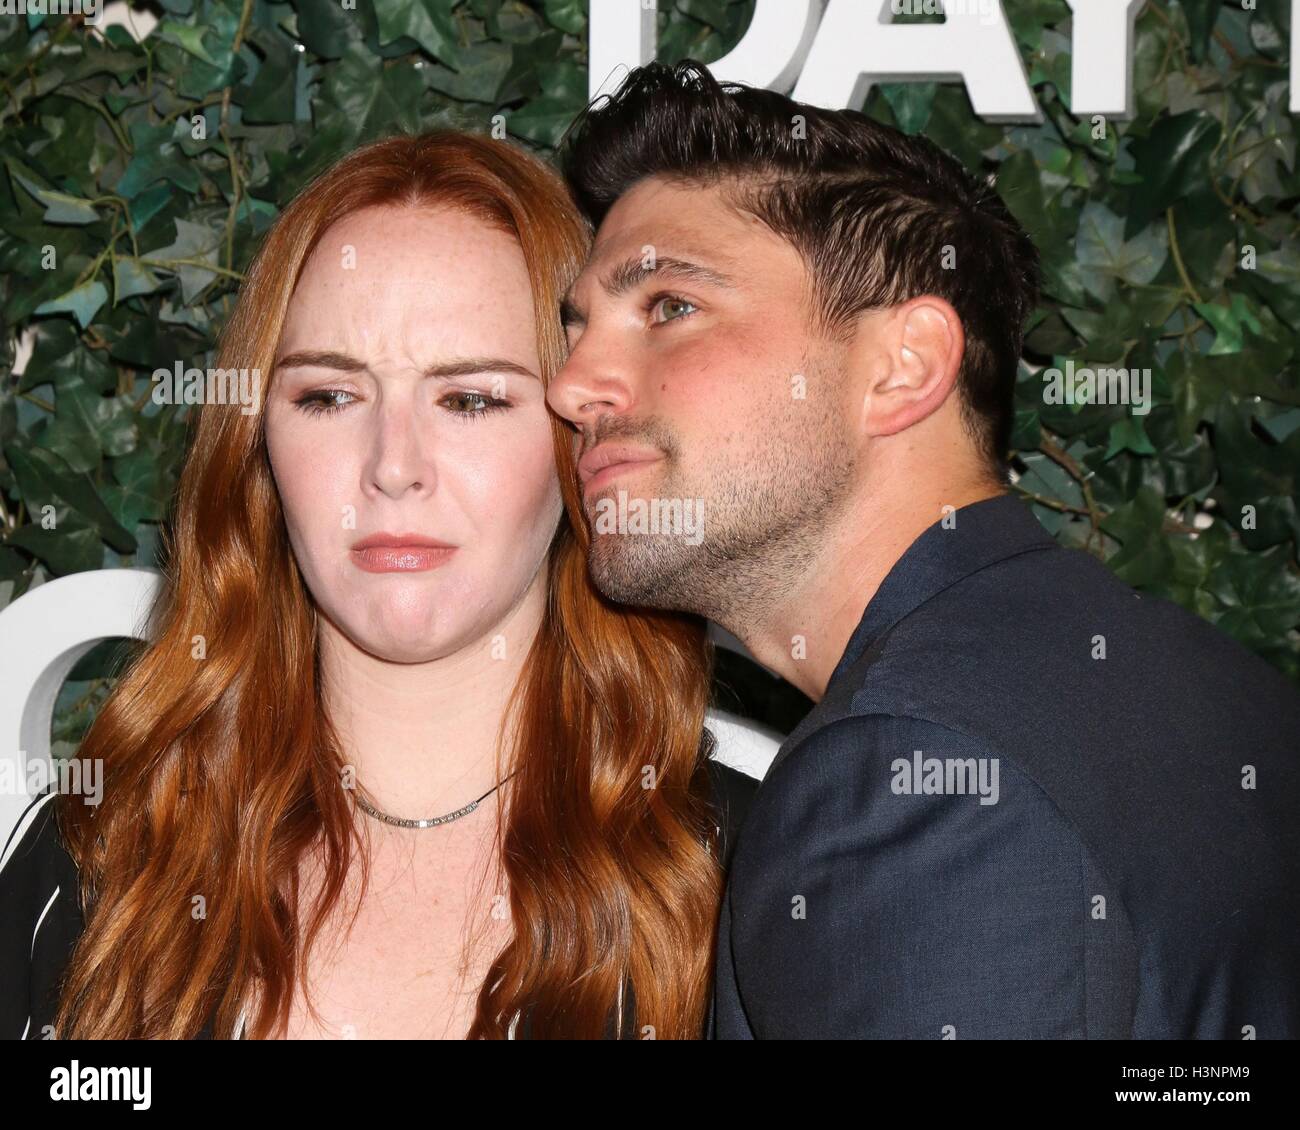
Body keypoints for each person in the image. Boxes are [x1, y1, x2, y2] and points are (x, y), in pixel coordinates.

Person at [547, 60, 1300, 1039]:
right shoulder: (1201, 682)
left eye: (670, 308)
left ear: (902, 367)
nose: (573, 386)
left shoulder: (916, 776)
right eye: (577, 329)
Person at [0, 130, 762, 1041]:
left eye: (471, 398)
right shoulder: (97, 860)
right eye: (330, 396)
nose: (393, 467)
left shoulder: (744, 876)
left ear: (582, 444)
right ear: (258, 447)